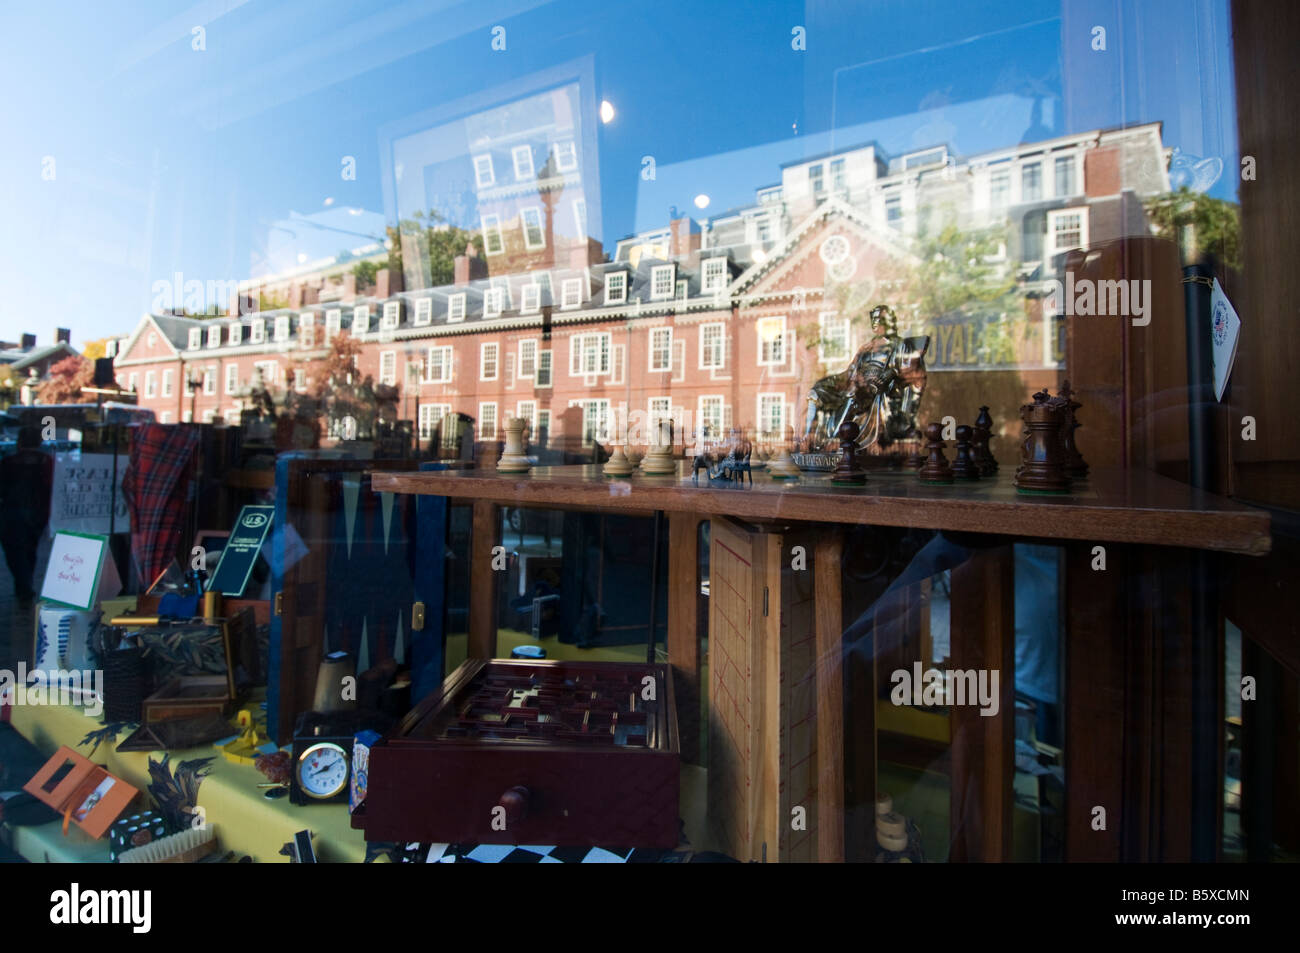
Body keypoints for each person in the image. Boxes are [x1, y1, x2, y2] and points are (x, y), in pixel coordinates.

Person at [0, 426, 54, 605]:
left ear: (20, 442)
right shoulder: (47, 462)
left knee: (15, 552)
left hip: (12, 513)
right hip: (38, 513)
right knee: (30, 550)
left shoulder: (8, 462)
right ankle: (24, 584)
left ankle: (23, 586)